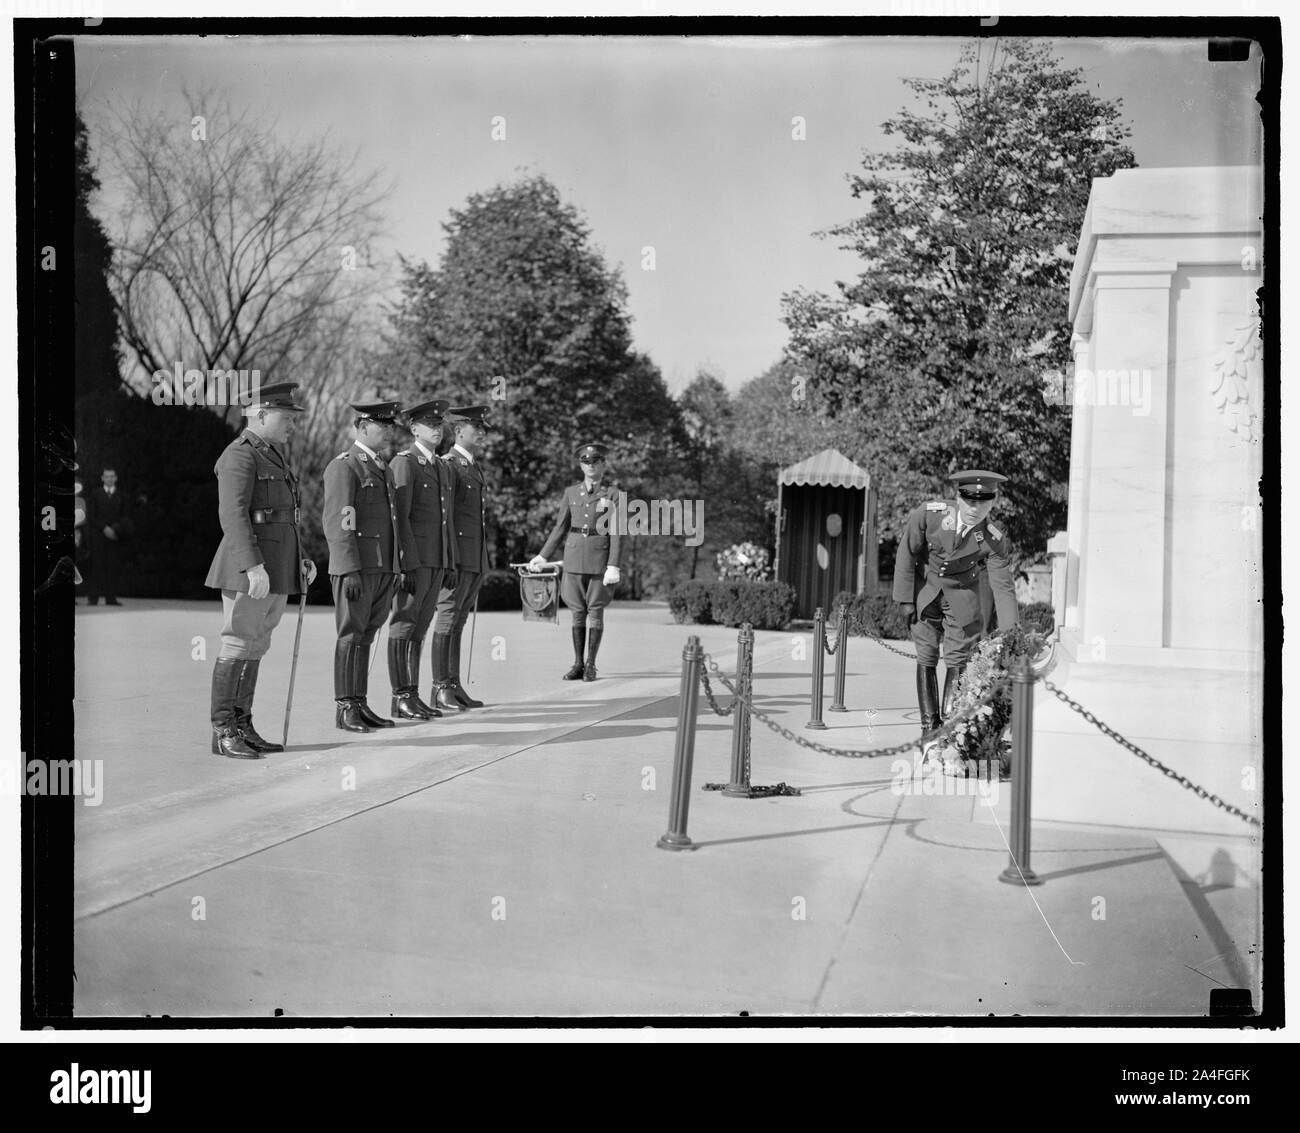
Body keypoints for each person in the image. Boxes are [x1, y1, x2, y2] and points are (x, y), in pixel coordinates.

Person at [204, 383, 315, 759]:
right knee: (237, 642)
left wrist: (299, 558)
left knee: (256, 645)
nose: (292, 426)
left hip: (276, 567)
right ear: (261, 414)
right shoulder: (240, 455)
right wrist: (253, 566)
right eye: (286, 418)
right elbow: (233, 515)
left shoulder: (272, 456)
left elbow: (283, 518)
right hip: (249, 569)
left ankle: (242, 724)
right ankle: (223, 731)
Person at [893, 469, 1019, 739]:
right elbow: (907, 552)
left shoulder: (994, 539)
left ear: (993, 502)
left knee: (958, 658)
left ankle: (950, 730)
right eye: (970, 501)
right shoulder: (930, 514)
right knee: (926, 654)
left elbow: (1003, 586)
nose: (976, 508)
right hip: (926, 590)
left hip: (962, 596)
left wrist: (1011, 633)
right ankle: (929, 727)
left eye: (984, 502)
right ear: (958, 498)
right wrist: (904, 599)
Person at [323, 400, 403, 732]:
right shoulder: (346, 466)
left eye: (390, 427)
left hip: (382, 568)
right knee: (350, 634)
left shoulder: (382, 468)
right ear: (362, 427)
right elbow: (338, 522)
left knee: (367, 635)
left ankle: (359, 702)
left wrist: (396, 566)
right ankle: (345, 707)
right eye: (381, 426)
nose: (387, 432)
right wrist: (348, 568)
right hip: (358, 568)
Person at [387, 399, 458, 720]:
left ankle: (412, 695)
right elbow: (399, 517)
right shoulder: (406, 463)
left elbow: (445, 521)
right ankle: (401, 695)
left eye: (440, 424)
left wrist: (449, 561)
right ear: (414, 429)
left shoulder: (441, 466)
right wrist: (404, 562)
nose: (437, 429)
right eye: (430, 424)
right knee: (403, 624)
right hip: (415, 561)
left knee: (420, 627)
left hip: (436, 560)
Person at [527, 442, 622, 681]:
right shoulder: (571, 493)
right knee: (577, 612)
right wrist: (543, 555)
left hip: (599, 559)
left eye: (596, 461)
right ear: (581, 465)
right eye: (586, 462)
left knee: (596, 611)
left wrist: (614, 564)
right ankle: (578, 663)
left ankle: (591, 664)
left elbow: (618, 532)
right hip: (573, 557)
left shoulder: (613, 494)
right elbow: (561, 527)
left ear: (604, 464)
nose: (591, 466)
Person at [431, 405, 491, 711]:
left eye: (482, 429)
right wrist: (449, 559)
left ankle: (453, 686)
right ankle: (441, 686)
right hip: (457, 558)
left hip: (473, 558)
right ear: (459, 431)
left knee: (459, 621)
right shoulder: (449, 464)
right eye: (476, 429)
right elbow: (446, 519)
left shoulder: (472, 465)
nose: (481, 434)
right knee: (448, 618)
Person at [85, 467, 132, 605]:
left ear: (116, 478)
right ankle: (93, 598)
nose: (109, 479)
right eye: (107, 476)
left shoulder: (122, 496)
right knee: (96, 566)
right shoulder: (95, 494)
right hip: (98, 535)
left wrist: (115, 529)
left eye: (112, 476)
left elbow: (125, 516)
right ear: (102, 478)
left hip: (114, 535)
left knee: (112, 566)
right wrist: (104, 528)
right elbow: (91, 516)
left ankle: (110, 598)